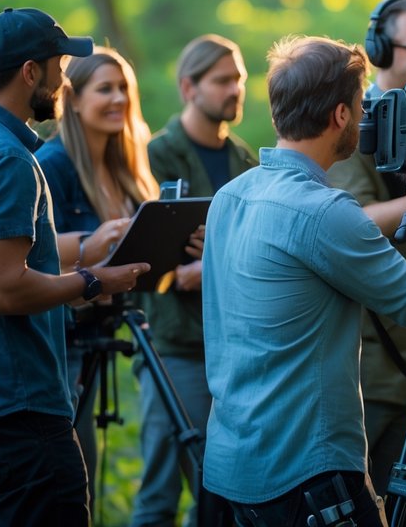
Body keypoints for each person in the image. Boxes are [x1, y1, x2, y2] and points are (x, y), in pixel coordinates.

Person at [201, 36, 406, 526]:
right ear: (340, 117)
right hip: (307, 477)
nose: (365, 117)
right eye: (360, 106)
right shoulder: (324, 212)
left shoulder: (231, 195)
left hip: (231, 469)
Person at [0, 7, 149, 526]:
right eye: (60, 64)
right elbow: (1, 290)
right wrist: (92, 280)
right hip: (13, 410)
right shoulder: (5, 158)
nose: (65, 78)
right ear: (30, 73)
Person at [326, 0, 406, 495]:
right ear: (380, 47)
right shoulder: (358, 126)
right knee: (363, 501)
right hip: (372, 362)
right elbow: (347, 221)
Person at [132, 34, 258, 527]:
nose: (235, 89)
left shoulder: (247, 162)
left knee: (221, 493)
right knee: (160, 489)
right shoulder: (154, 156)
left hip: (234, 350)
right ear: (189, 86)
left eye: (239, 79)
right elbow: (151, 257)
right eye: (222, 80)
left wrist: (214, 262)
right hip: (175, 345)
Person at [36, 45, 161, 499]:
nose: (118, 99)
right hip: (66, 338)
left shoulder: (124, 163)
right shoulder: (51, 164)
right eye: (104, 89)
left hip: (109, 327)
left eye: (123, 88)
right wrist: (95, 245)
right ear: (73, 98)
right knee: (72, 470)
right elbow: (35, 254)